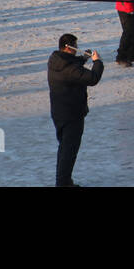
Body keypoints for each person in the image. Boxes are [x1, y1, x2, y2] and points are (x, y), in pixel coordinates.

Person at [47, 34, 104, 187]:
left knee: (64, 148)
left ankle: (65, 180)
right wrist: (97, 62)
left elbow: (71, 64)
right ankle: (63, 183)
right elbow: (92, 78)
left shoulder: (55, 60)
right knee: (68, 151)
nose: (77, 49)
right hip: (71, 114)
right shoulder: (69, 69)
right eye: (75, 46)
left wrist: (83, 58)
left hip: (59, 113)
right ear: (68, 47)